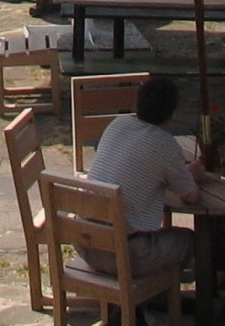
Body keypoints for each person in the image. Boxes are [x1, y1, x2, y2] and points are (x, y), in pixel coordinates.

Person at [83, 74, 200, 279]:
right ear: (172, 113)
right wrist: (195, 174)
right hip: (124, 254)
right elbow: (190, 196)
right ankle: (170, 296)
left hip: (86, 242)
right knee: (190, 240)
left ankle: (160, 294)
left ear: (136, 103)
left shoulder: (117, 124)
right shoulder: (165, 144)